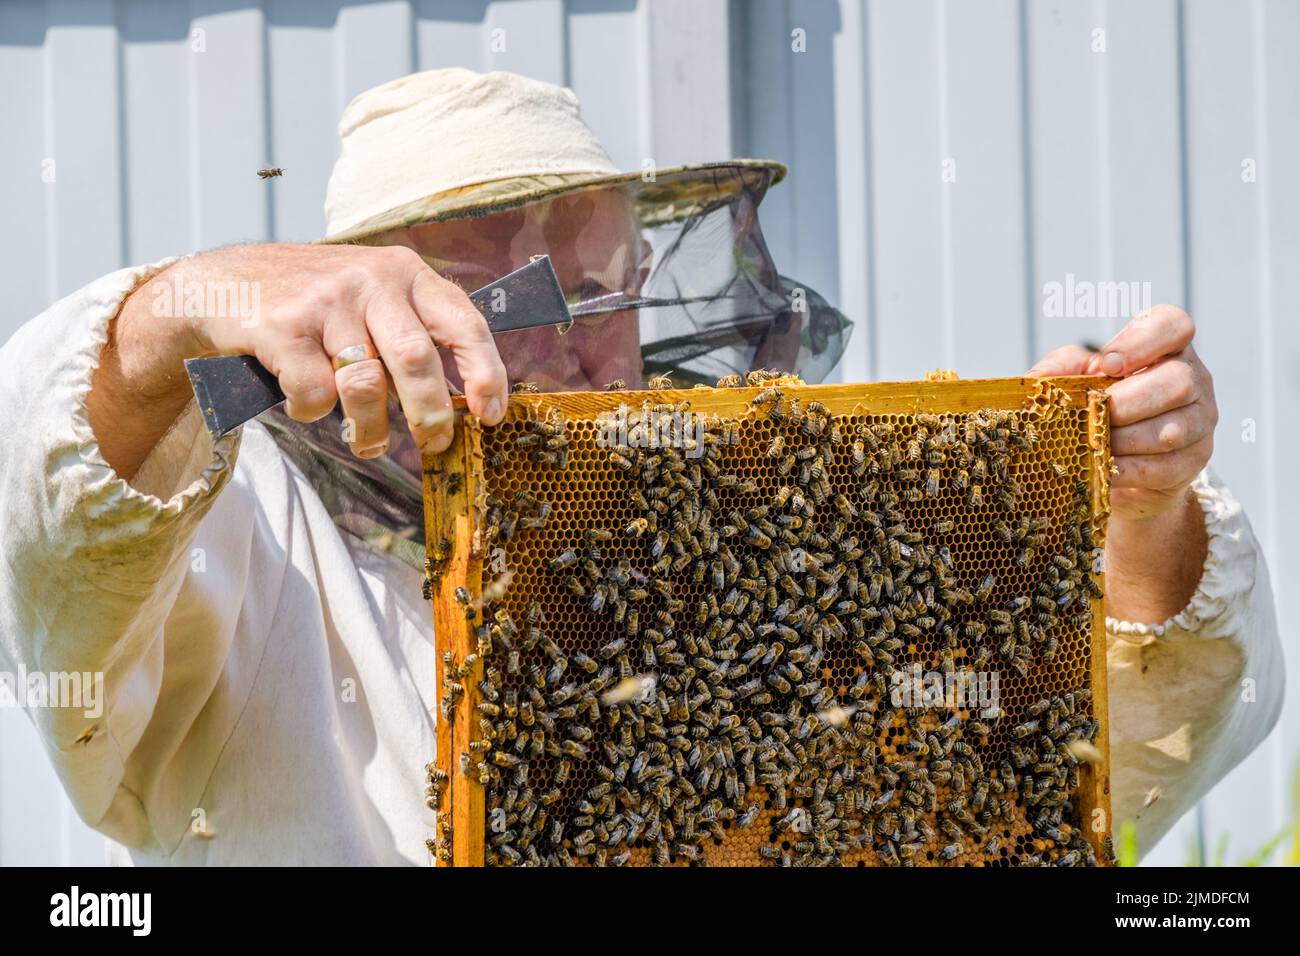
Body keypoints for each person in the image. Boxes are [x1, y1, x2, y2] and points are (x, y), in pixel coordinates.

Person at [0, 68, 1282, 864]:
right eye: (495, 293)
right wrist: (175, 305)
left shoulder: (765, 528)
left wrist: (1133, 516)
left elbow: (1118, 744)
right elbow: (53, 524)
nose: (565, 336)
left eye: (604, 284)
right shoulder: (241, 538)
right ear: (345, 310)